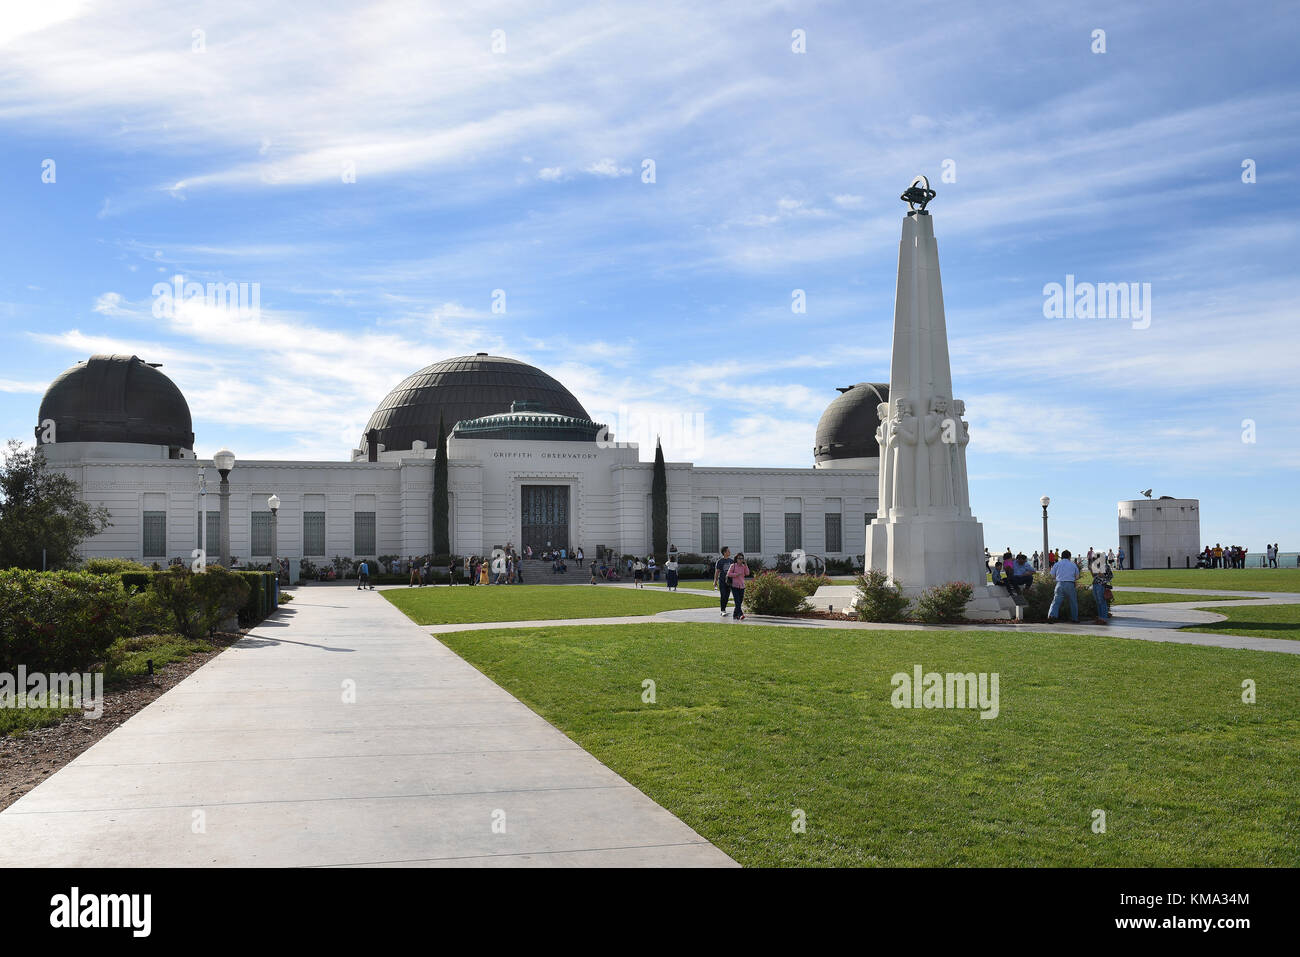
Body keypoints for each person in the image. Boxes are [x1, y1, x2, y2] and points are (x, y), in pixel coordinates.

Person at [1046, 549, 1079, 623]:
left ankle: (1052, 616)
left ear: (1061, 556)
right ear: (1069, 557)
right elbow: (1077, 576)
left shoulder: (1057, 564)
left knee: (1055, 602)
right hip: (1070, 584)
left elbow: (1052, 575)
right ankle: (1074, 618)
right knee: (1073, 602)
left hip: (1059, 583)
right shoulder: (1073, 564)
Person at [726, 552, 750, 620]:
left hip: (742, 586)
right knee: (737, 601)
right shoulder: (733, 565)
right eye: (739, 558)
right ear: (736, 559)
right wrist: (736, 574)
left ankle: (735, 614)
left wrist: (746, 565)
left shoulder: (743, 566)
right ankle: (740, 614)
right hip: (734, 586)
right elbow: (728, 574)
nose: (741, 560)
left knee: (740, 601)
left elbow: (747, 573)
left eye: (742, 558)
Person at [1092, 553, 1113, 625]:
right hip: (1095, 584)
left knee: (1101, 602)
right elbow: (1094, 576)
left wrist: (1104, 579)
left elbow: (1110, 576)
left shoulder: (1105, 566)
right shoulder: (1097, 566)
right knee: (1098, 601)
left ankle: (1103, 618)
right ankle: (1100, 617)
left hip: (1100, 585)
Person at [714, 547, 733, 616]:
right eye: (728, 551)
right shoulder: (720, 561)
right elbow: (717, 572)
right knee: (723, 595)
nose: (729, 552)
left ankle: (724, 608)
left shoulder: (731, 561)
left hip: (729, 582)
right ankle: (722, 610)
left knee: (727, 596)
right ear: (724, 552)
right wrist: (715, 581)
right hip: (722, 581)